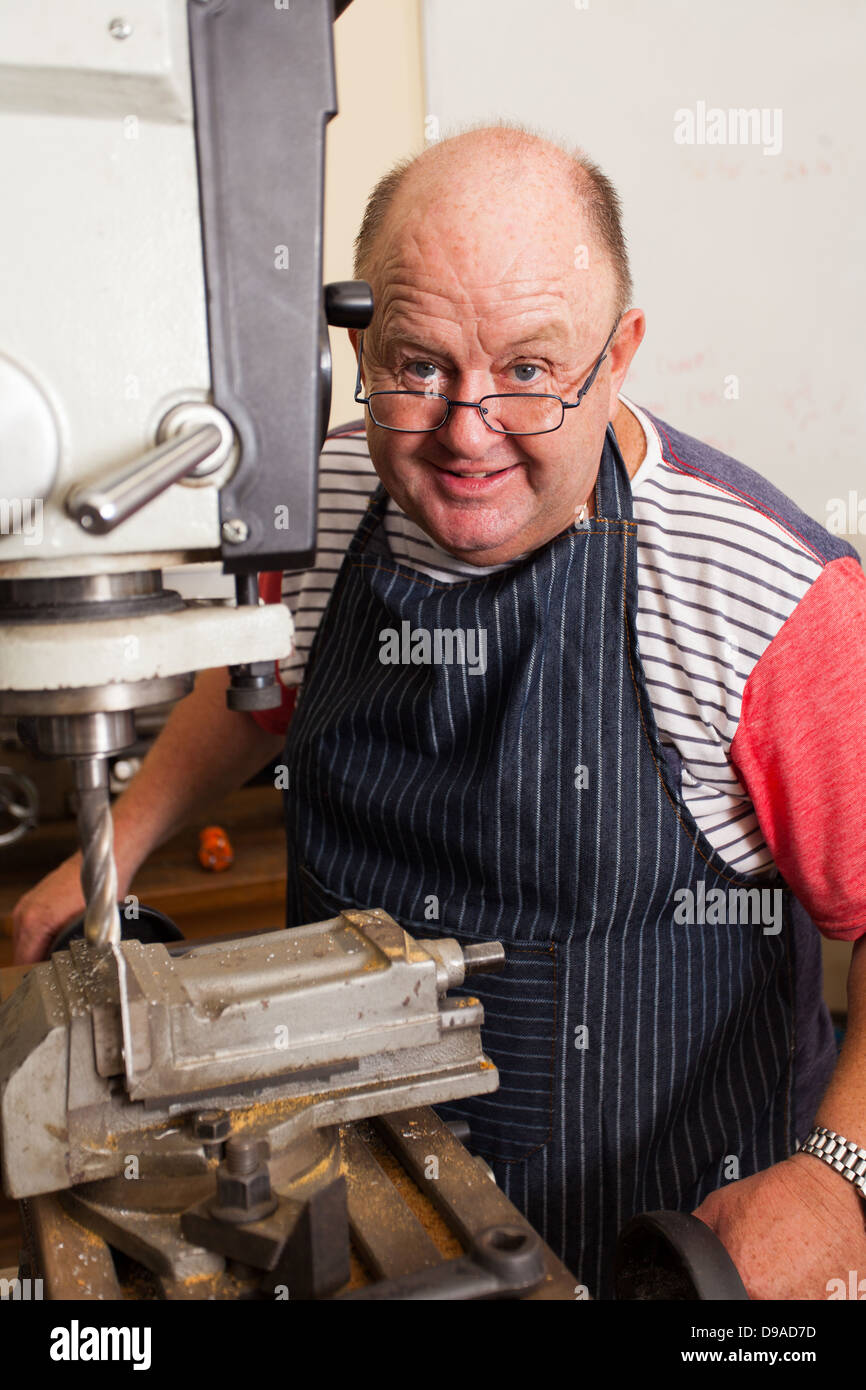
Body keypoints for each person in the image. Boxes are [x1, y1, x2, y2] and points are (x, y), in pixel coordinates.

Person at [13, 125, 866, 1300]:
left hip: (658, 1253)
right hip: (342, 1225)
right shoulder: (329, 494)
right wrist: (124, 840)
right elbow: (258, 688)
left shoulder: (758, 594)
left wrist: (835, 1176)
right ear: (359, 345)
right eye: (417, 366)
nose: (467, 433)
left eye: (528, 370)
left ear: (618, 355)